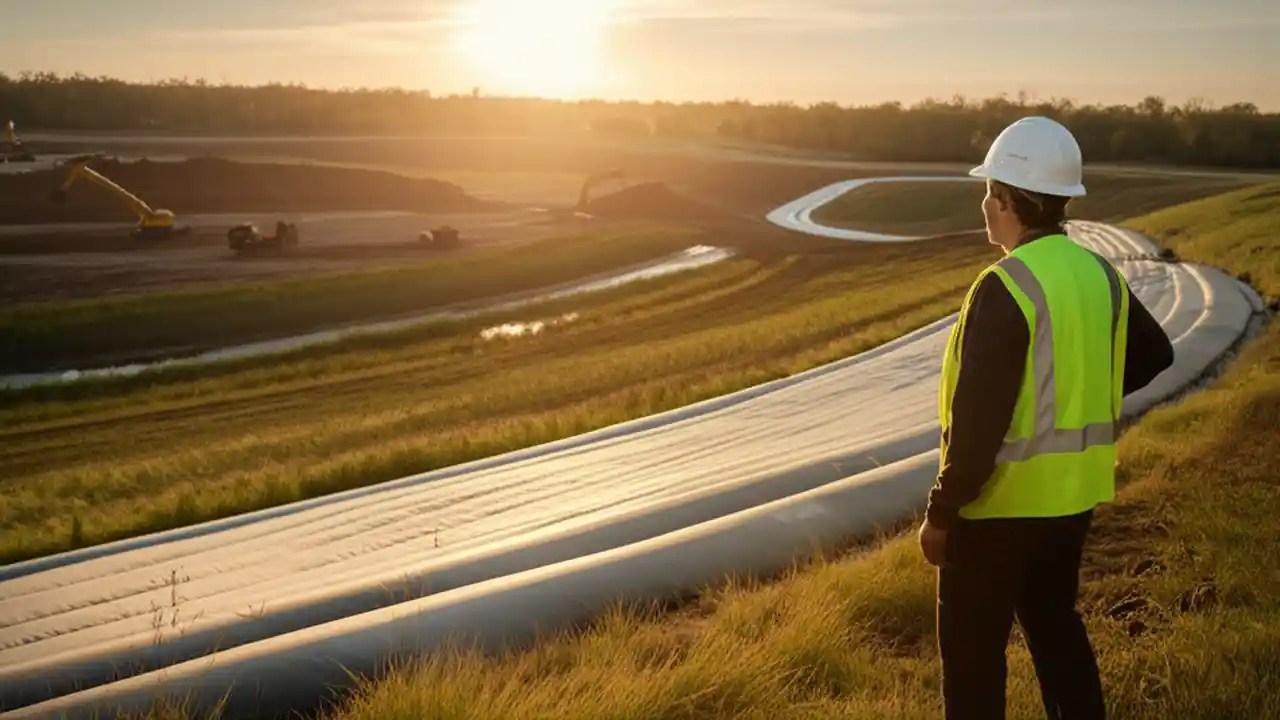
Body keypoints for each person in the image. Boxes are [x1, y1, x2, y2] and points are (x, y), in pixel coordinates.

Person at [918, 116, 1174, 720]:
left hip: (995, 511)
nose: (983, 205)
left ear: (1006, 201)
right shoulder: (1100, 274)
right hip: (1071, 501)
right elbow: (1155, 354)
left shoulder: (1005, 286)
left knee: (974, 662)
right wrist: (1082, 392)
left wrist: (942, 512)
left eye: (988, 193)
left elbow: (978, 424)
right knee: (1057, 632)